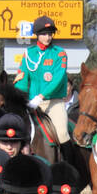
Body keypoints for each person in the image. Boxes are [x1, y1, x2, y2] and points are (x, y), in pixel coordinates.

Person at [13, 16, 70, 145]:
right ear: (37, 35)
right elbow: (22, 79)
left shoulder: (59, 53)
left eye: (50, 34)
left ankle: (66, 163)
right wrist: (18, 100)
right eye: (44, 34)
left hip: (53, 103)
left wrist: (41, 96)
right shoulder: (29, 54)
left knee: (62, 134)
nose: (48, 37)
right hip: (32, 104)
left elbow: (57, 79)